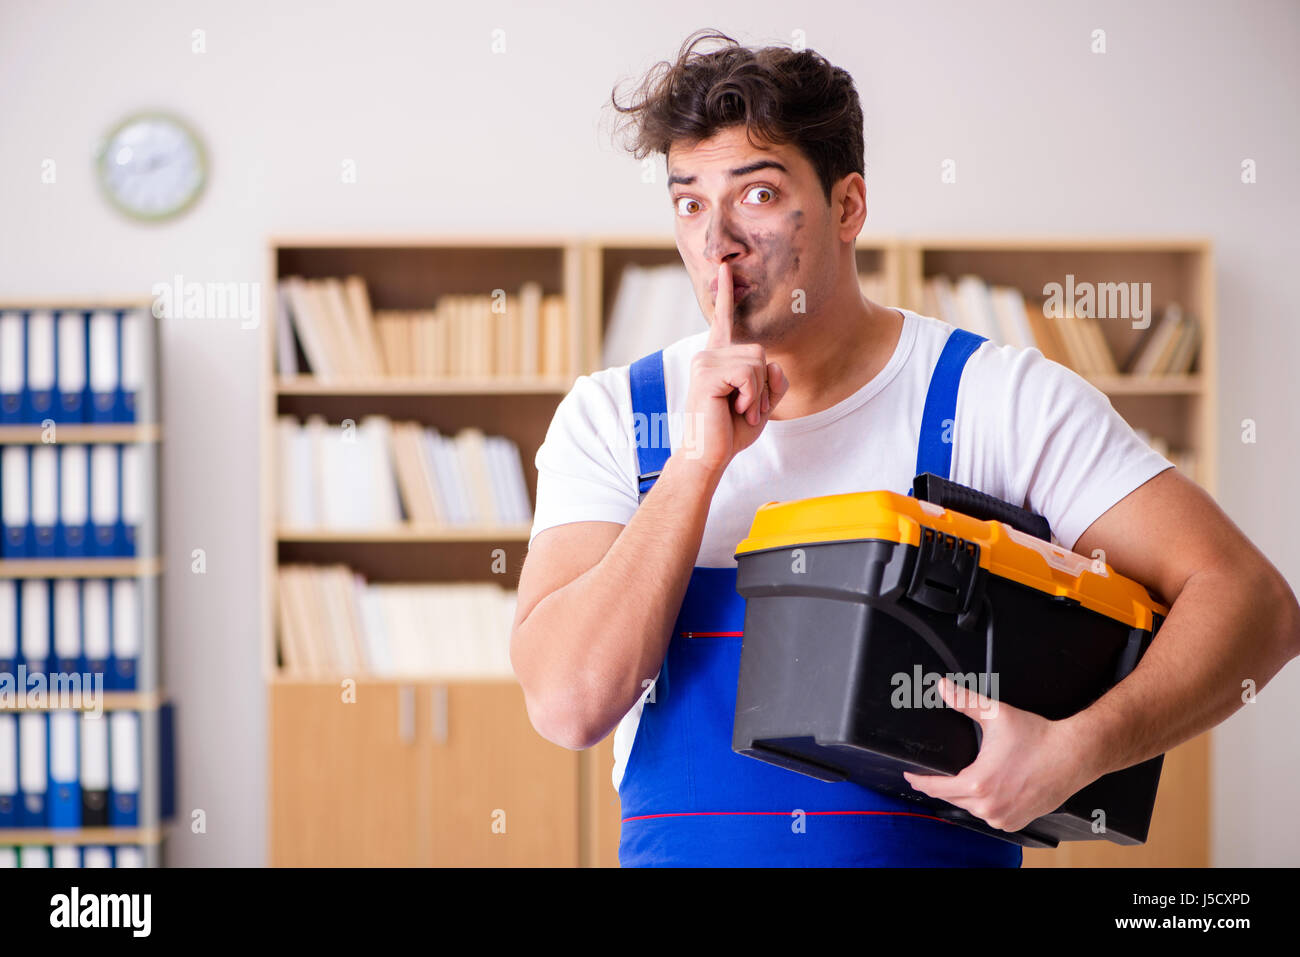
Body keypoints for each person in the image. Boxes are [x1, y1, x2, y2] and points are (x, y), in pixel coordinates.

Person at [509, 29, 1300, 867]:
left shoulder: (998, 402)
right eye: (690, 202)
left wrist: (1079, 750)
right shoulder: (614, 418)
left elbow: (1252, 604)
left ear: (848, 207)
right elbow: (568, 705)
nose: (717, 242)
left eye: (759, 194)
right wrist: (697, 467)